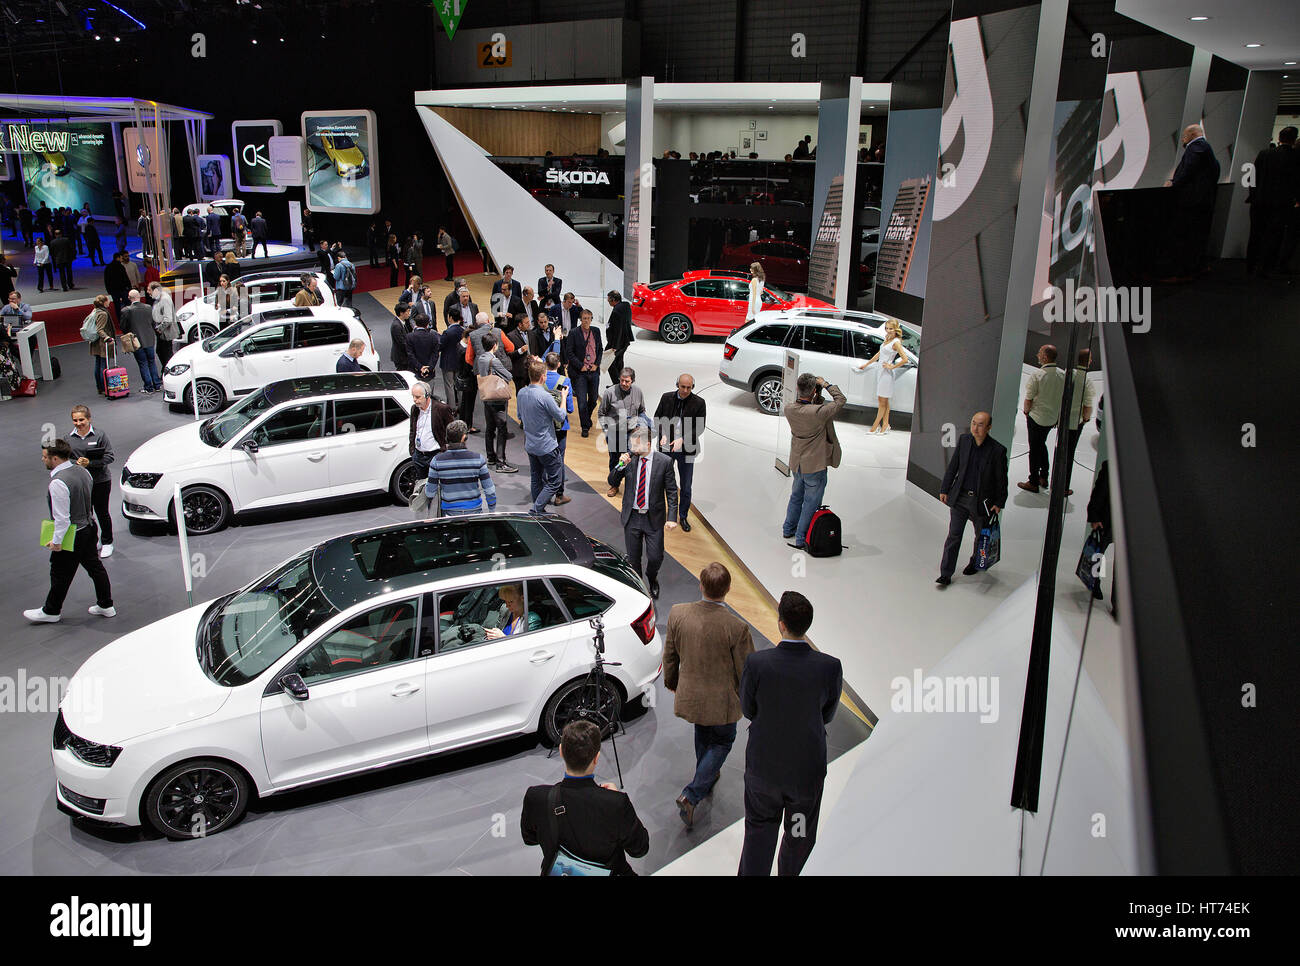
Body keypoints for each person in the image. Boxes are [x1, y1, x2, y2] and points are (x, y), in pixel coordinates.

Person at [737, 590, 842, 876]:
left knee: (759, 833)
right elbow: (827, 715)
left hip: (763, 773)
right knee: (798, 837)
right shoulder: (829, 667)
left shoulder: (757, 664)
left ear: (780, 623)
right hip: (804, 777)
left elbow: (748, 709)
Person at [665, 562, 755, 828]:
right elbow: (746, 670)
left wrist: (673, 682)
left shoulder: (677, 614)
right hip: (723, 702)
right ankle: (692, 794)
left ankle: (706, 774)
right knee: (723, 742)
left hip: (692, 696)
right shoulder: (737, 628)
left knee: (703, 733)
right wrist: (748, 700)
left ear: (700, 585)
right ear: (728, 589)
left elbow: (670, 655)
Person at [520, 719, 650, 876]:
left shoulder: (536, 797)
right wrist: (614, 795)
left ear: (561, 751)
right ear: (596, 757)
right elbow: (639, 849)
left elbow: (530, 838)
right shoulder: (616, 803)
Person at [24, 439, 115, 625]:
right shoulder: (83, 471)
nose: (43, 460)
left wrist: (57, 542)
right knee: (95, 568)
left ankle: (51, 611)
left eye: (45, 457)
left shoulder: (58, 483)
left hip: (74, 535)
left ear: (55, 458)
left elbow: (62, 519)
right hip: (90, 527)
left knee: (59, 572)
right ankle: (106, 605)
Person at [936, 411, 1009, 585]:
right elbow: (953, 466)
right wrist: (945, 488)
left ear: (989, 427)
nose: (975, 428)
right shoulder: (964, 441)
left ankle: (975, 562)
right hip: (960, 498)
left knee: (980, 536)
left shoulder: (997, 450)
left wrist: (999, 502)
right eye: (974, 423)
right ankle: (946, 573)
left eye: (981, 424)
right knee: (954, 535)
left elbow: (1001, 479)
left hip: (982, 502)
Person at [609, 425, 678, 599]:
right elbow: (611, 480)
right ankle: (639, 587)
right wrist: (620, 465)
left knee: (655, 557)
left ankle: (652, 577)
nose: (632, 449)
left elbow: (671, 491)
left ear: (647, 444)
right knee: (633, 559)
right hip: (631, 517)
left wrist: (672, 517)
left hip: (653, 518)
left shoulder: (664, 462)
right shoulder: (629, 460)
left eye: (635, 445)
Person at [782, 373, 845, 550]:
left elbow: (807, 408)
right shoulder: (819, 413)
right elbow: (840, 400)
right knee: (811, 502)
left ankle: (788, 529)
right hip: (815, 465)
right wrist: (825, 384)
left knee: (796, 497)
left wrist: (814, 395)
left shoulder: (789, 409)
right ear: (813, 392)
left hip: (797, 463)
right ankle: (801, 538)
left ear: (797, 388)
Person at [1163, 123, 1221, 279]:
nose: (1183, 138)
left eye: (1184, 135)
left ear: (1192, 135)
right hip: (1202, 201)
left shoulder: (1197, 147)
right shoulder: (1206, 148)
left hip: (1192, 202)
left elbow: (1189, 168)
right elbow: (1216, 169)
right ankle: (1196, 267)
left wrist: (1174, 183)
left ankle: (1181, 272)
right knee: (1196, 236)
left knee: (1184, 236)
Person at [654, 372, 706, 532]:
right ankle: (660, 512)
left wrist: (682, 439)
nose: (685, 390)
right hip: (666, 446)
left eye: (688, 388)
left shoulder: (699, 402)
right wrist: (663, 434)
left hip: (686, 449)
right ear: (677, 385)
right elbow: (657, 418)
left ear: (692, 387)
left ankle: (682, 516)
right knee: (661, 481)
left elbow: (700, 426)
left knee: (686, 485)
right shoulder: (666, 397)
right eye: (682, 387)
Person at [516, 357, 569, 514]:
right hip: (546, 446)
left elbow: (520, 416)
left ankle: (539, 510)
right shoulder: (544, 396)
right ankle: (537, 510)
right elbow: (560, 416)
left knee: (536, 478)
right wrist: (564, 398)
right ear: (543, 376)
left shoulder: (521, 392)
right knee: (555, 480)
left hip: (530, 445)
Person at [66, 406, 116, 558]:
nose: (78, 423)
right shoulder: (68, 438)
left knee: (102, 513)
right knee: (87, 514)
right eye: (75, 420)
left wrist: (90, 463)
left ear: (89, 419)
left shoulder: (100, 435)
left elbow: (110, 457)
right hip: (81, 483)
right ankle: (93, 541)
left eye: (81, 419)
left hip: (100, 481)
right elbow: (66, 458)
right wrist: (76, 462)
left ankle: (107, 542)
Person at [425, 419, 496, 517]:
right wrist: (492, 511)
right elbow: (489, 490)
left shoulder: (437, 461)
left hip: (449, 513)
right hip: (474, 511)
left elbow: (429, 493)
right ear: (464, 437)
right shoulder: (478, 459)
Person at [1018, 344, 1064, 493]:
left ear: (1045, 357)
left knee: (1034, 449)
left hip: (1036, 418)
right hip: (1051, 419)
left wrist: (1026, 412)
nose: (1037, 355)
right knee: (1041, 445)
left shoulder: (1037, 375)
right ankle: (1044, 476)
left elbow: (1028, 399)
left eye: (1039, 353)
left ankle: (1033, 482)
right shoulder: (1062, 375)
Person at [858, 318, 911, 434]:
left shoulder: (896, 342)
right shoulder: (888, 339)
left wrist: (892, 366)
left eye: (891, 329)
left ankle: (875, 426)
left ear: (896, 329)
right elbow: (879, 354)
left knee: (882, 402)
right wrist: (867, 364)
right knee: (884, 402)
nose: (888, 331)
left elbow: (905, 359)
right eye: (886, 328)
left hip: (887, 375)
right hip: (881, 372)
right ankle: (885, 425)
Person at [475, 330, 518, 473]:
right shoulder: (494, 360)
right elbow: (509, 375)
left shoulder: (481, 358)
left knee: (490, 428)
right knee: (502, 429)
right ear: (494, 345)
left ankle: (491, 457)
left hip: (486, 396)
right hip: (497, 398)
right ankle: (501, 463)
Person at [599, 367, 646, 494]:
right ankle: (614, 485)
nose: (624, 384)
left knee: (632, 460)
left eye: (627, 381)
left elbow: (642, 410)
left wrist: (641, 426)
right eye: (622, 380)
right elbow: (601, 413)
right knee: (615, 460)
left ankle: (631, 487)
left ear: (633, 381)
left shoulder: (638, 392)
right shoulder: (609, 392)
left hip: (632, 433)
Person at [541, 351, 575, 507]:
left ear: (545, 364)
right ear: (559, 364)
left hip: (544, 425)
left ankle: (544, 492)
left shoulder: (541, 379)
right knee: (559, 459)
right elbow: (569, 409)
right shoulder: (564, 381)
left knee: (543, 458)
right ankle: (559, 494)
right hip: (560, 427)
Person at [564, 308, 603, 437]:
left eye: (589, 318)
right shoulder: (574, 333)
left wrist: (596, 364)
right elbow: (569, 352)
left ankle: (587, 417)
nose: (586, 321)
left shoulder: (596, 331)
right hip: (580, 373)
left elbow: (600, 349)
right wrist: (581, 366)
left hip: (593, 371)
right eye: (584, 318)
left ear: (591, 319)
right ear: (581, 319)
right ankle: (584, 427)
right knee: (581, 402)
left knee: (593, 399)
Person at [408, 380, 455, 482]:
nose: (414, 400)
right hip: (419, 456)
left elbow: (452, 431)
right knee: (422, 488)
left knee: (438, 487)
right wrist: (412, 451)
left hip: (436, 455)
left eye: (417, 397)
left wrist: (446, 452)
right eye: (413, 396)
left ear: (427, 395)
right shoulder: (415, 409)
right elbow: (413, 430)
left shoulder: (442, 409)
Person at [119, 289, 162, 394]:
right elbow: (153, 323)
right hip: (149, 340)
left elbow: (123, 327)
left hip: (136, 341)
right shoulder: (148, 308)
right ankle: (157, 385)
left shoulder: (126, 310)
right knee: (152, 362)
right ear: (139, 297)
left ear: (129, 298)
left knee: (143, 364)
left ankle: (148, 387)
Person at [86, 295, 115, 395]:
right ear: (104, 302)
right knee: (103, 365)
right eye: (108, 301)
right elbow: (100, 329)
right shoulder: (103, 313)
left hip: (95, 343)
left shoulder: (95, 311)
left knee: (98, 364)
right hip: (102, 343)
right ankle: (104, 388)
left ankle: (100, 387)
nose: (109, 302)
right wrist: (107, 337)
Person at [147, 280, 179, 371]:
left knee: (166, 353)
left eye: (149, 290)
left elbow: (168, 319)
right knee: (160, 351)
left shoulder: (164, 299)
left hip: (166, 332)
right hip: (161, 332)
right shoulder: (158, 299)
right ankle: (167, 369)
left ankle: (171, 370)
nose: (147, 292)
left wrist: (159, 328)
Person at [605, 290, 633, 386]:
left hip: (616, 343)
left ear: (613, 299)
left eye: (609, 300)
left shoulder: (617, 311)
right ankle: (620, 383)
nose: (608, 302)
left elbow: (618, 330)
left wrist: (614, 346)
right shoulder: (626, 305)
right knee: (619, 362)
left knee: (609, 362)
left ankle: (618, 384)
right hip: (625, 340)